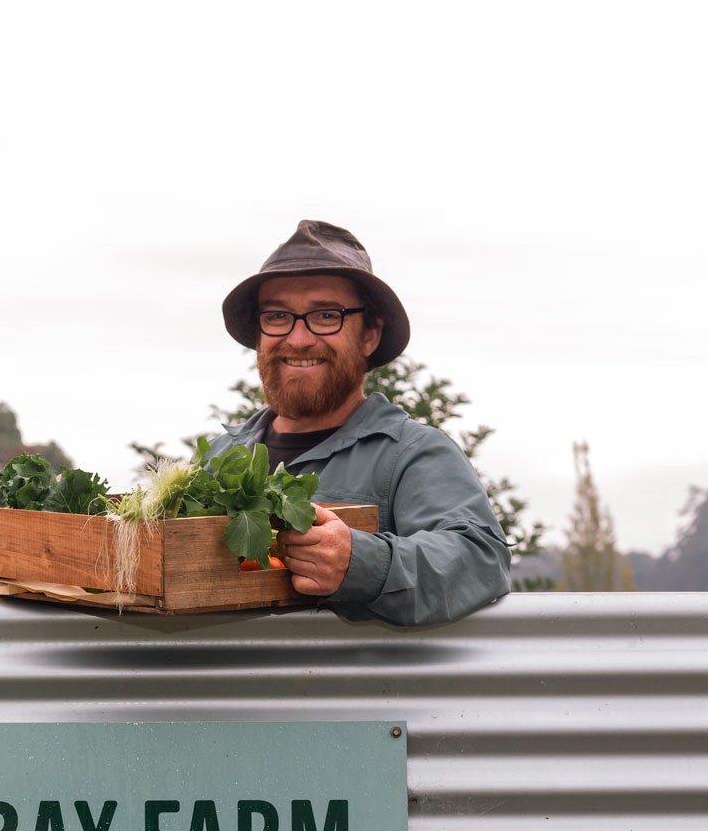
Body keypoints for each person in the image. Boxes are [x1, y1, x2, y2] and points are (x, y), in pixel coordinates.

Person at [212, 220, 510, 626]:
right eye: (278, 316)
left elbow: (481, 560)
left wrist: (362, 562)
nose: (298, 339)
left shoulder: (412, 454)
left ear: (370, 336)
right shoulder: (222, 458)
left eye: (325, 315)